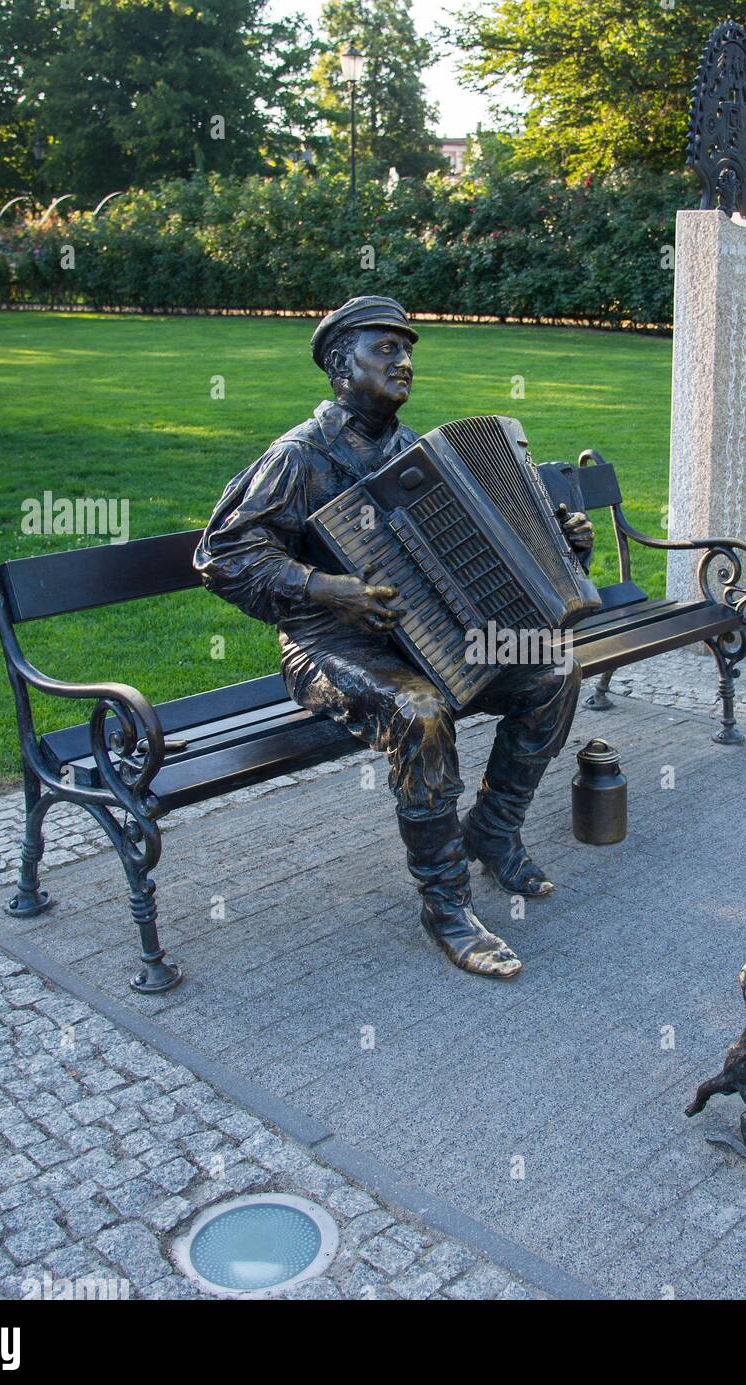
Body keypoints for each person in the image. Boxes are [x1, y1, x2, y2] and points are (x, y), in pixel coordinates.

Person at [194, 296, 593, 981]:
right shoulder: (299, 457)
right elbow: (223, 558)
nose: (402, 361)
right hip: (327, 644)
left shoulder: (418, 453)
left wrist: (563, 546)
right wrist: (323, 588)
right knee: (419, 712)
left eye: (407, 350)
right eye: (384, 350)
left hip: (430, 632)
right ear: (338, 367)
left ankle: (493, 831)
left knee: (552, 671)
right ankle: (445, 905)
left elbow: (482, 553)